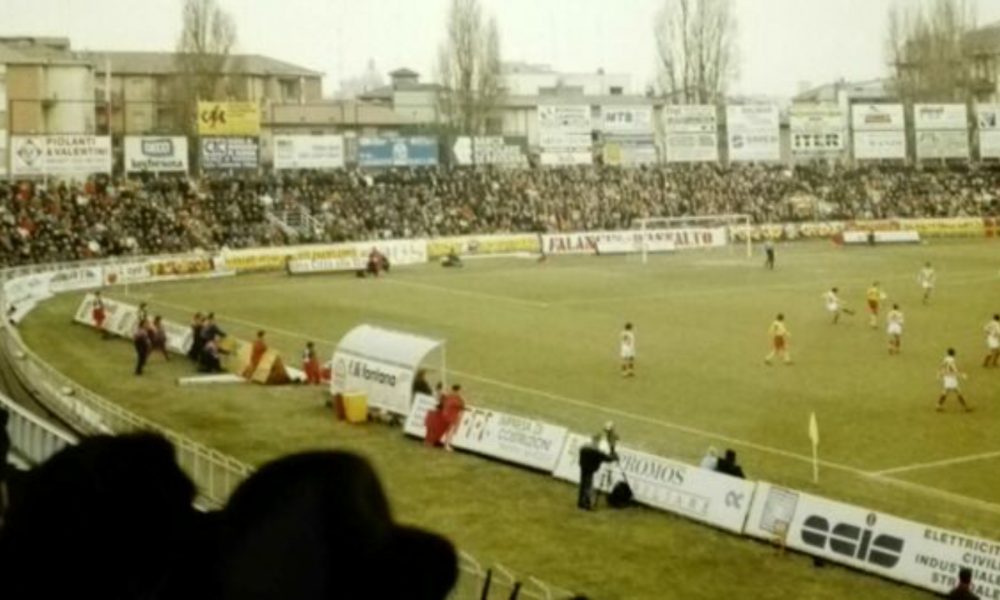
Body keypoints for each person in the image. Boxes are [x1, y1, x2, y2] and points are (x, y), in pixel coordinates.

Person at [577, 435, 614, 510]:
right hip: (589, 469)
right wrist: (613, 456)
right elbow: (607, 458)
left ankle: (581, 502)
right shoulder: (596, 451)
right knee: (588, 486)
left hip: (583, 467)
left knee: (583, 485)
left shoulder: (584, 447)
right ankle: (586, 504)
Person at [937, 348, 971, 412]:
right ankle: (966, 407)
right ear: (954, 354)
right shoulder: (952, 361)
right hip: (951, 378)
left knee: (945, 392)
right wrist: (962, 375)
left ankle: (938, 405)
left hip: (946, 377)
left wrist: (940, 374)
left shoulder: (945, 359)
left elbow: (941, 366)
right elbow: (954, 370)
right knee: (958, 392)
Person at [440, 384, 466, 452]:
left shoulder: (449, 396)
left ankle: (447, 443)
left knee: (449, 431)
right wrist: (462, 397)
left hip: (446, 415)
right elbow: (463, 406)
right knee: (450, 431)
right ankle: (447, 445)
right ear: (458, 390)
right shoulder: (457, 399)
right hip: (452, 416)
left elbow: (443, 401)